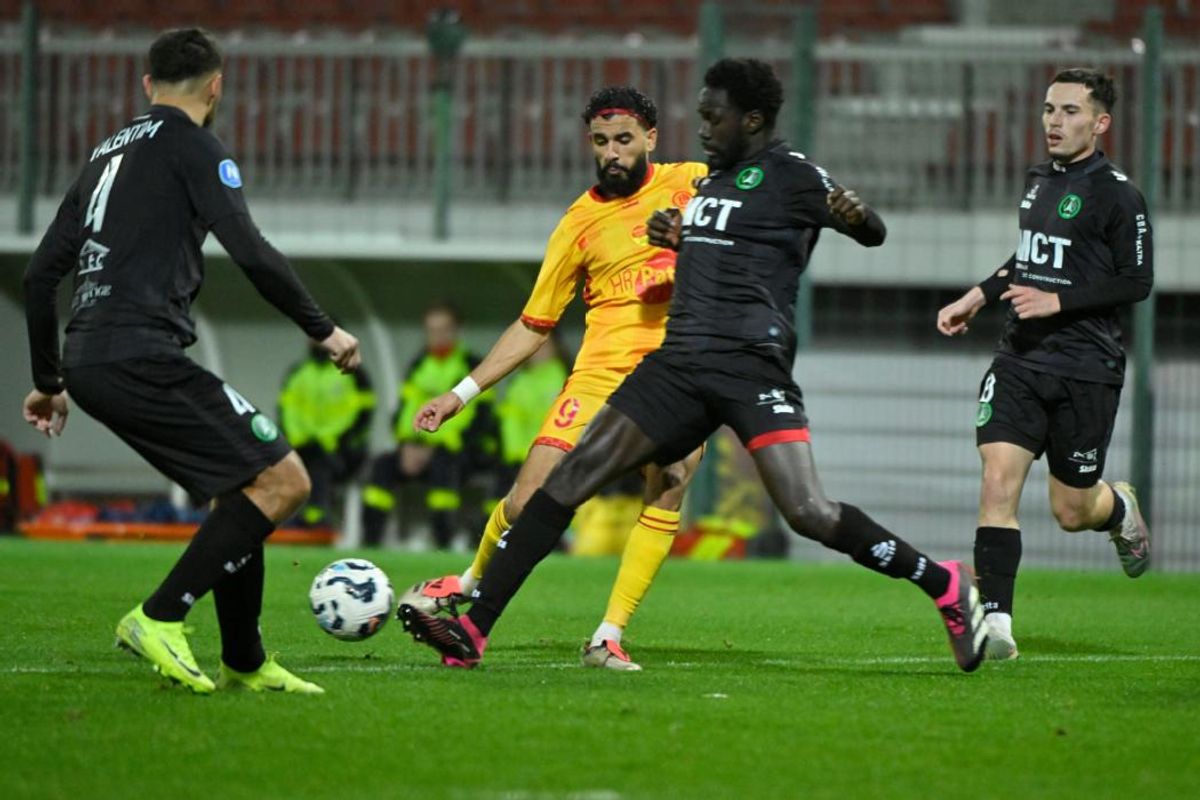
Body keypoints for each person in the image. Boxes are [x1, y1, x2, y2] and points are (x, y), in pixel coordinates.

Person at [399, 58, 989, 673]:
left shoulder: (786, 175)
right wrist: (684, 239)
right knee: (566, 483)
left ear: (751, 120)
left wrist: (856, 216)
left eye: (714, 117)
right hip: (678, 364)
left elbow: (870, 231)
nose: (703, 128)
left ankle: (944, 582)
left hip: (748, 367)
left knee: (807, 511)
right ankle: (473, 627)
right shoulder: (708, 186)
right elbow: (722, 252)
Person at [21, 28, 361, 694]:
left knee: (245, 487)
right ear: (216, 85)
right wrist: (322, 328)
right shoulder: (198, 148)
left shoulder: (104, 154)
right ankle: (159, 615)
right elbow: (251, 249)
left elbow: (38, 277)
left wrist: (48, 381)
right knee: (285, 482)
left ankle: (245, 659)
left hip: (91, 357)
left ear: (147, 86)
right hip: (140, 350)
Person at [400, 86, 708, 670]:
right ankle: (469, 580)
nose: (612, 152)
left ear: (651, 139)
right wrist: (461, 394)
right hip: (597, 377)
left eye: (623, 139)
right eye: (600, 142)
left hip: (676, 370)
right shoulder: (579, 222)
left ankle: (608, 634)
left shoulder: (691, 181)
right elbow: (533, 324)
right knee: (527, 500)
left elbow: (741, 228)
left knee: (669, 478)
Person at [936, 68, 1152, 661]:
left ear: (1100, 123)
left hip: (1086, 366)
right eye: (1049, 110)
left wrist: (1059, 301)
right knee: (997, 481)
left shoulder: (1118, 194)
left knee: (1071, 509)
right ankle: (998, 622)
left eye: (1070, 112)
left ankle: (1118, 508)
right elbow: (1028, 258)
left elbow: (1138, 280)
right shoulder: (1038, 180)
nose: (1055, 122)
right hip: (1022, 357)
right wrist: (978, 295)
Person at [361, 302, 494, 549]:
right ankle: (370, 546)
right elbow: (403, 413)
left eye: (444, 329)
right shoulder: (419, 365)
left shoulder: (472, 365)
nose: (438, 336)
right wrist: (408, 445)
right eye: (432, 330)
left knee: (444, 466)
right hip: (417, 448)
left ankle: (442, 544)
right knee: (382, 465)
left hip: (461, 451)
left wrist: (433, 446)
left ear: (457, 330)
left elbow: (480, 421)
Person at [277, 339, 375, 528]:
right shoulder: (297, 374)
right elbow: (286, 413)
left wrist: (333, 440)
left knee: (320, 462)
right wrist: (298, 440)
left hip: (341, 449)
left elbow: (363, 417)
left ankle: (315, 520)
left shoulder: (355, 374)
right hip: (302, 446)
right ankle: (278, 521)